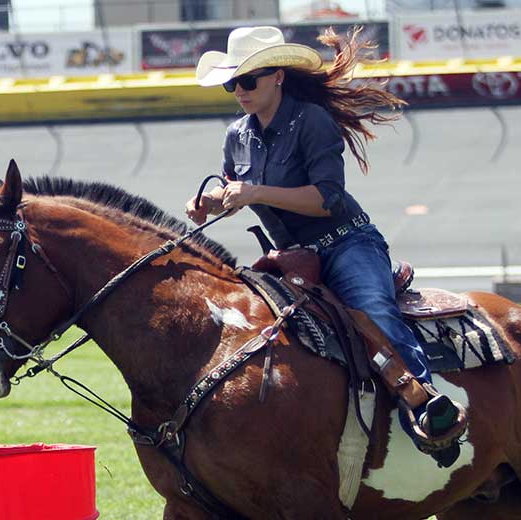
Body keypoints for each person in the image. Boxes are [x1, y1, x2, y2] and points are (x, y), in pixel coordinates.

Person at [185, 26, 467, 467]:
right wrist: (208, 203)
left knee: (372, 311)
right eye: (230, 82)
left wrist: (255, 192)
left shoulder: (311, 120)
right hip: (290, 258)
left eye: (247, 80)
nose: (238, 90)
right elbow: (236, 190)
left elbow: (326, 198)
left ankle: (426, 408)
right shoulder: (236, 135)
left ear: (278, 76)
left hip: (346, 244)